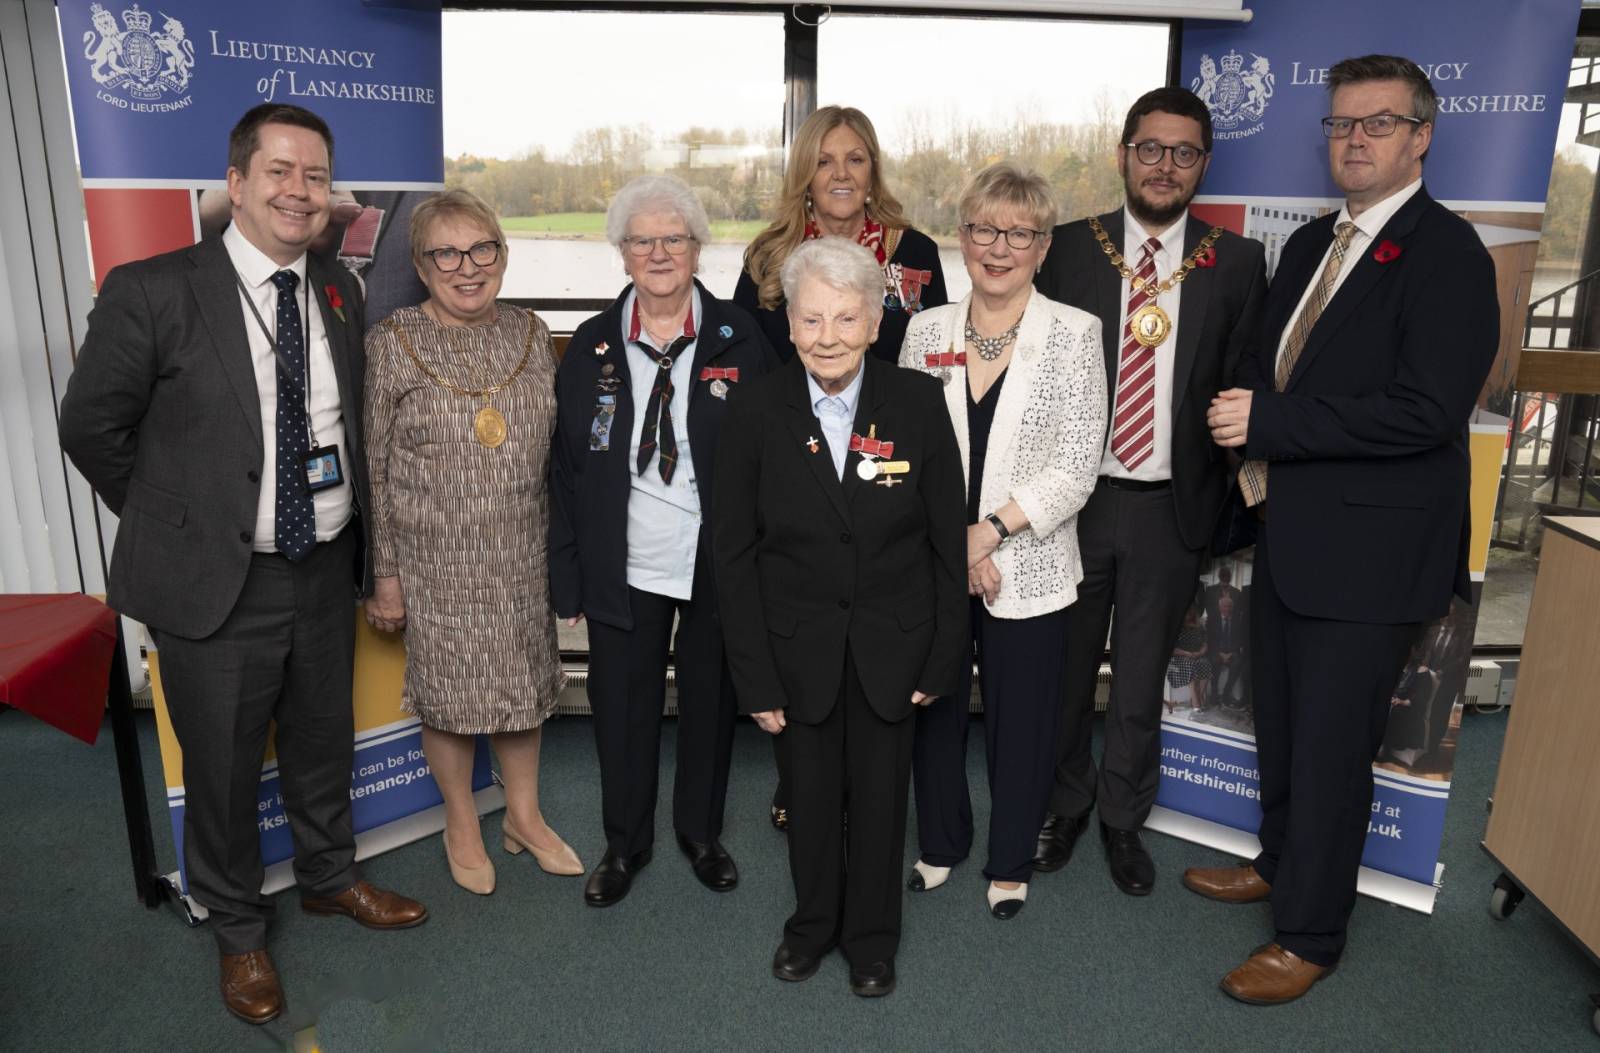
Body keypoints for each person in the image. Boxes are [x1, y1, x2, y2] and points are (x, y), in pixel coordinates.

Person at [57, 103, 427, 1026]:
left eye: (315, 175)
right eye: (280, 172)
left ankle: (328, 878)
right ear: (236, 182)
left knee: (317, 741)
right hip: (216, 584)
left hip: (321, 566)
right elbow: (91, 428)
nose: (299, 192)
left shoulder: (337, 288)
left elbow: (349, 433)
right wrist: (178, 521)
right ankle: (237, 931)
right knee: (221, 769)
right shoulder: (154, 288)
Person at [1194, 54, 1498, 1004]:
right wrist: (1236, 406)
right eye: (1339, 124)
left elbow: (1428, 408)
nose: (1353, 139)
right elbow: (1280, 364)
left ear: (1421, 137)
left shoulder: (1448, 253)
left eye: (1375, 124)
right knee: (1283, 726)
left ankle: (1312, 933)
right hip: (1295, 537)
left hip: (1371, 556)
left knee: (1331, 748)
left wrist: (1270, 424)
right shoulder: (1315, 244)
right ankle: (1283, 864)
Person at [714, 237, 966, 997]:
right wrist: (754, 675)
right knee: (811, 799)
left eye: (846, 318)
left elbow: (945, 541)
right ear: (788, 324)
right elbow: (733, 553)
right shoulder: (756, 410)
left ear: (874, 319)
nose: (828, 336)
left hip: (894, 647)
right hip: (797, 654)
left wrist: (942, 655)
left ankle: (872, 940)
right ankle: (813, 925)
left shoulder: (917, 402)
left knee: (884, 802)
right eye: (812, 318)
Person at [1032, 86, 1267, 895]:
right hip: (1073, 501)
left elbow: (1240, 381)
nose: (1165, 166)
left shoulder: (1237, 261)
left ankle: (1122, 819)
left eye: (1185, 152)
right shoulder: (1067, 248)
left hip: (1171, 506)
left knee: (1140, 680)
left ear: (1204, 161)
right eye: (1150, 149)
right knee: (1064, 670)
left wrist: (1241, 501)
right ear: (1124, 152)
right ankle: (1063, 802)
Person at [550, 175, 778, 907]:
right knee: (621, 705)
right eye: (642, 240)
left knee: (711, 702)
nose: (658, 252)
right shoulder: (590, 346)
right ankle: (624, 844)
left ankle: (701, 834)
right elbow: (564, 470)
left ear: (697, 249)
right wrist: (570, 578)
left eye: (672, 238)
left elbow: (775, 460)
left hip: (718, 562)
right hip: (626, 560)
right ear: (621, 254)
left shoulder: (743, 338)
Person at [898, 164, 1105, 918]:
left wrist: (985, 536)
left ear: (1043, 247)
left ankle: (1011, 858)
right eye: (985, 228)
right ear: (962, 237)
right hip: (937, 563)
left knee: (1024, 721)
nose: (999, 247)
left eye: (1019, 233)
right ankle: (941, 843)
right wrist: (952, 543)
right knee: (935, 712)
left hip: (1032, 562)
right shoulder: (925, 332)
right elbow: (903, 450)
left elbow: (1078, 462)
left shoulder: (1075, 334)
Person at [736, 105, 948, 832]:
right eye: (825, 160)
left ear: (873, 169)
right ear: (805, 170)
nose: (841, 174)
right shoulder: (768, 255)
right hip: (797, 465)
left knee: (883, 641)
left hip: (892, 467)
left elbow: (930, 356)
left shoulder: (913, 249)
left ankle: (874, 792)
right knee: (808, 648)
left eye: (856, 159)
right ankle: (802, 782)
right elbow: (754, 374)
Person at [362, 188, 579, 897]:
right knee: (451, 699)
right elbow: (375, 467)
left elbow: (558, 456)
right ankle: (462, 819)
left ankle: (523, 815)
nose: (467, 267)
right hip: (434, 561)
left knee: (521, 690)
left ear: (503, 256)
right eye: (446, 253)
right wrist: (384, 576)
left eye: (482, 249)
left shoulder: (529, 332)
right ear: (422, 266)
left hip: (521, 550)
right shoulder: (392, 341)